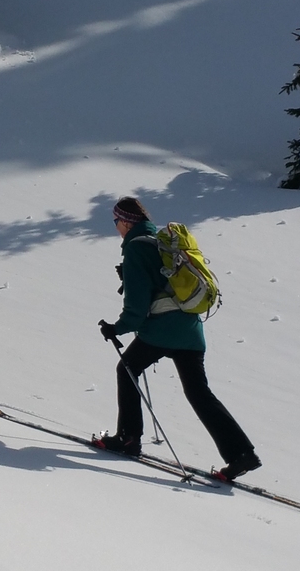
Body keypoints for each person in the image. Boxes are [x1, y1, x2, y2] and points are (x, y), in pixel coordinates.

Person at [95, 196, 261, 481]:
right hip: (191, 329)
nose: (116, 228)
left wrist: (116, 328)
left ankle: (128, 438)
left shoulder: (136, 248)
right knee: (199, 392)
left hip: (162, 329)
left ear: (125, 221)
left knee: (127, 369)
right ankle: (241, 454)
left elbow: (136, 308)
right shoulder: (162, 242)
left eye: (115, 222)